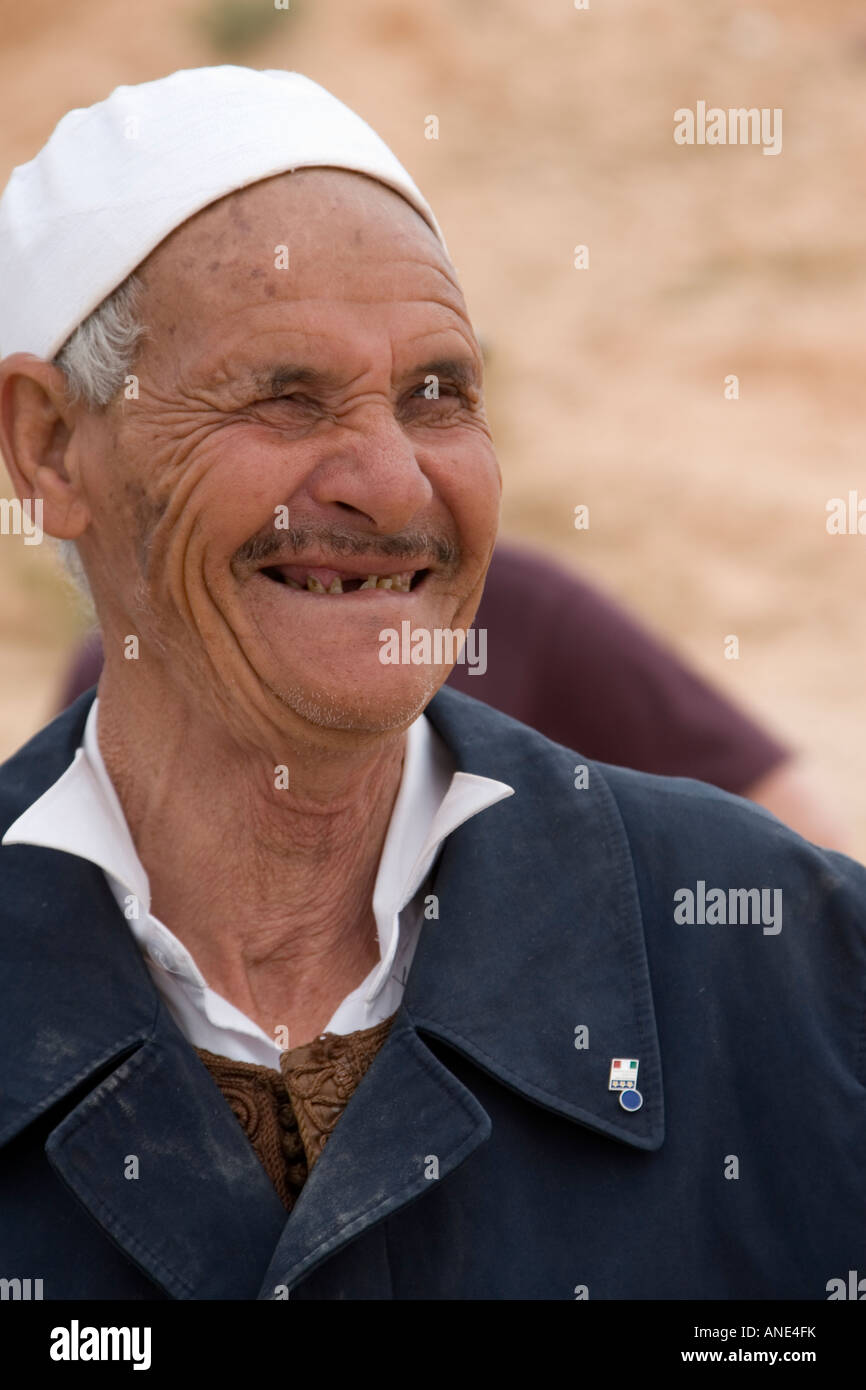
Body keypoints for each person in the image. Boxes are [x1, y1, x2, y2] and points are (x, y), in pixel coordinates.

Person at [0, 66, 863, 1302]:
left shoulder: (795, 970)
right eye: (284, 395)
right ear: (48, 446)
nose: (395, 485)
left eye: (437, 395)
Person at [56, 544, 847, 848]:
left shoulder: (526, 609)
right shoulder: (113, 674)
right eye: (288, 405)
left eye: (431, 398)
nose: (380, 473)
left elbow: (800, 840)